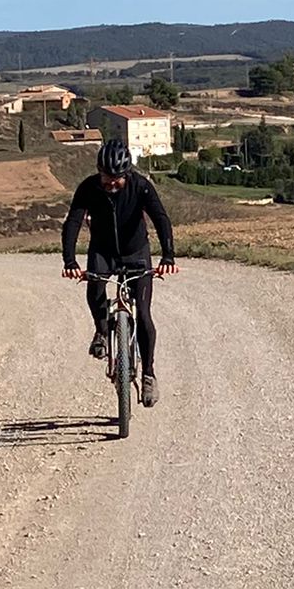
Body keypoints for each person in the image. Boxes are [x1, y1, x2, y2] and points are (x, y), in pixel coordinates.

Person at [63, 138, 177, 404]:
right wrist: (69, 262)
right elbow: (73, 222)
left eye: (117, 179)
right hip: (102, 251)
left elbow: (161, 218)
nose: (112, 184)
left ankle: (148, 375)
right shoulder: (88, 188)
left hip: (136, 252)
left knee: (144, 314)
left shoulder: (141, 187)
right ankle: (102, 331)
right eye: (106, 178)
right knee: (95, 287)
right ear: (99, 172)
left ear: (127, 173)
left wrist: (168, 256)